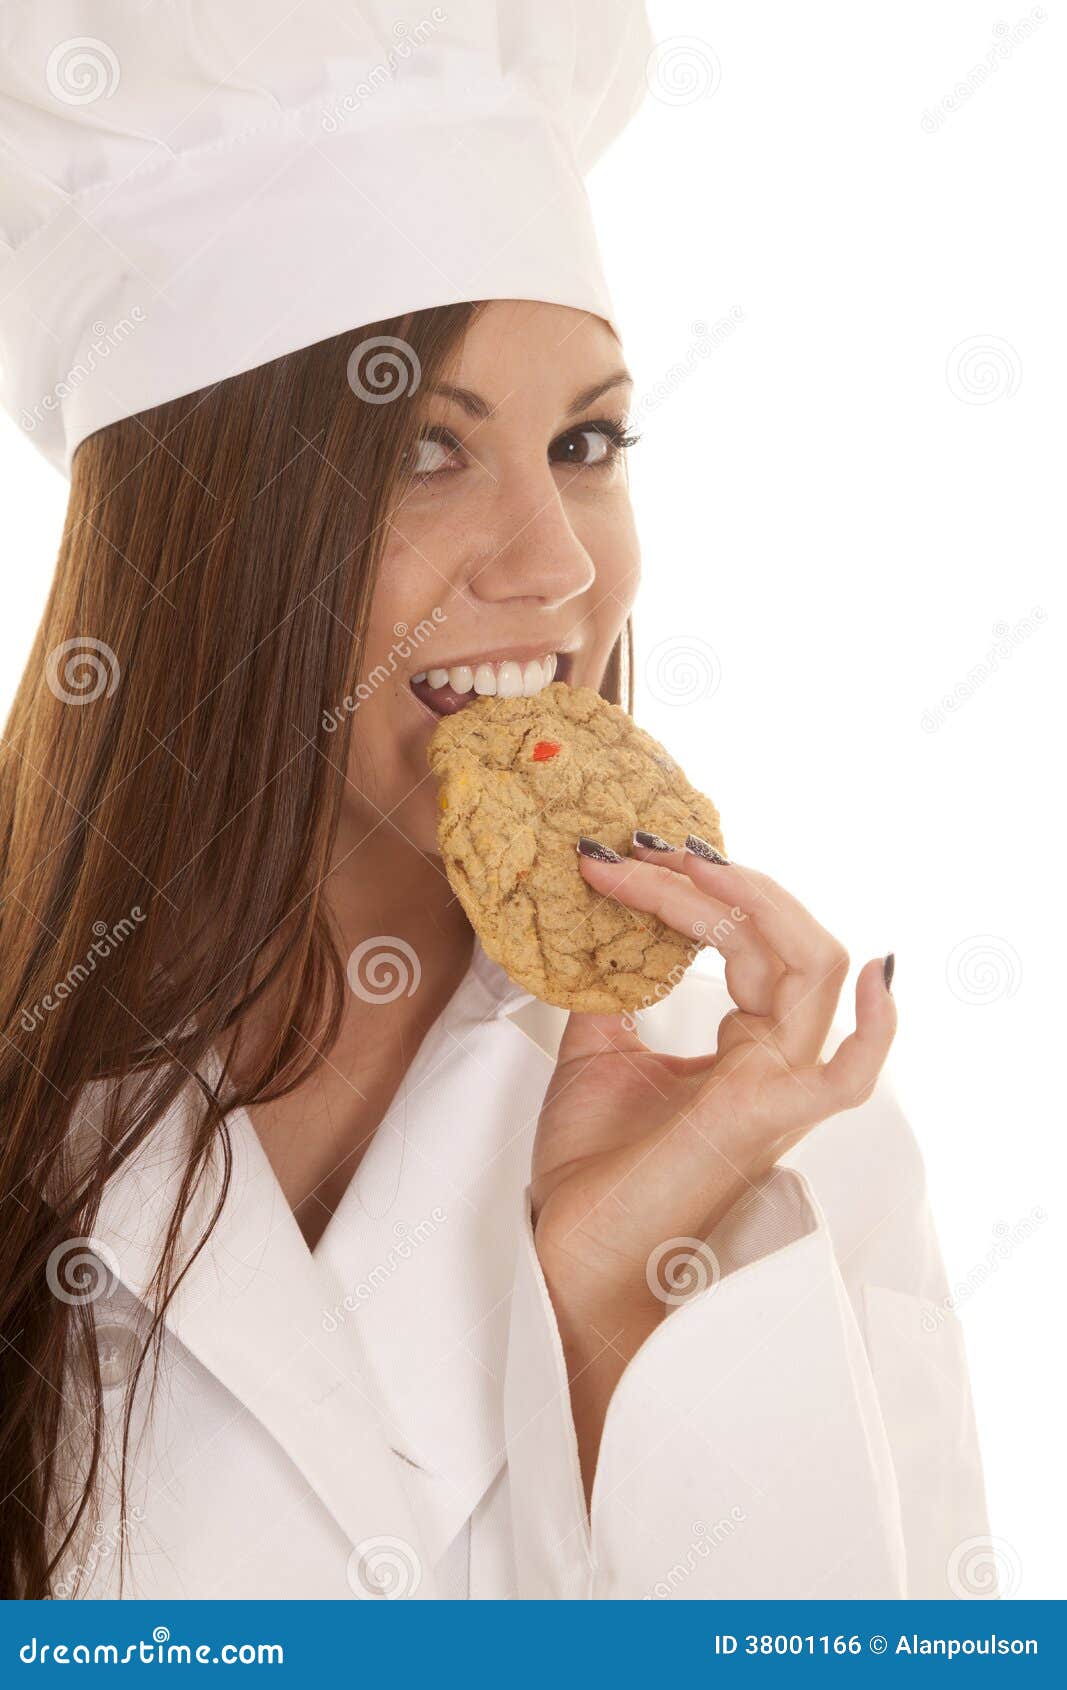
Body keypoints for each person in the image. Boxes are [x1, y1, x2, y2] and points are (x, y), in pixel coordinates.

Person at [0, 6, 991, 1600]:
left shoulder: (792, 1135)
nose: (560, 563)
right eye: (424, 453)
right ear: (198, 540)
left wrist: (621, 1309)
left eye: (586, 441)